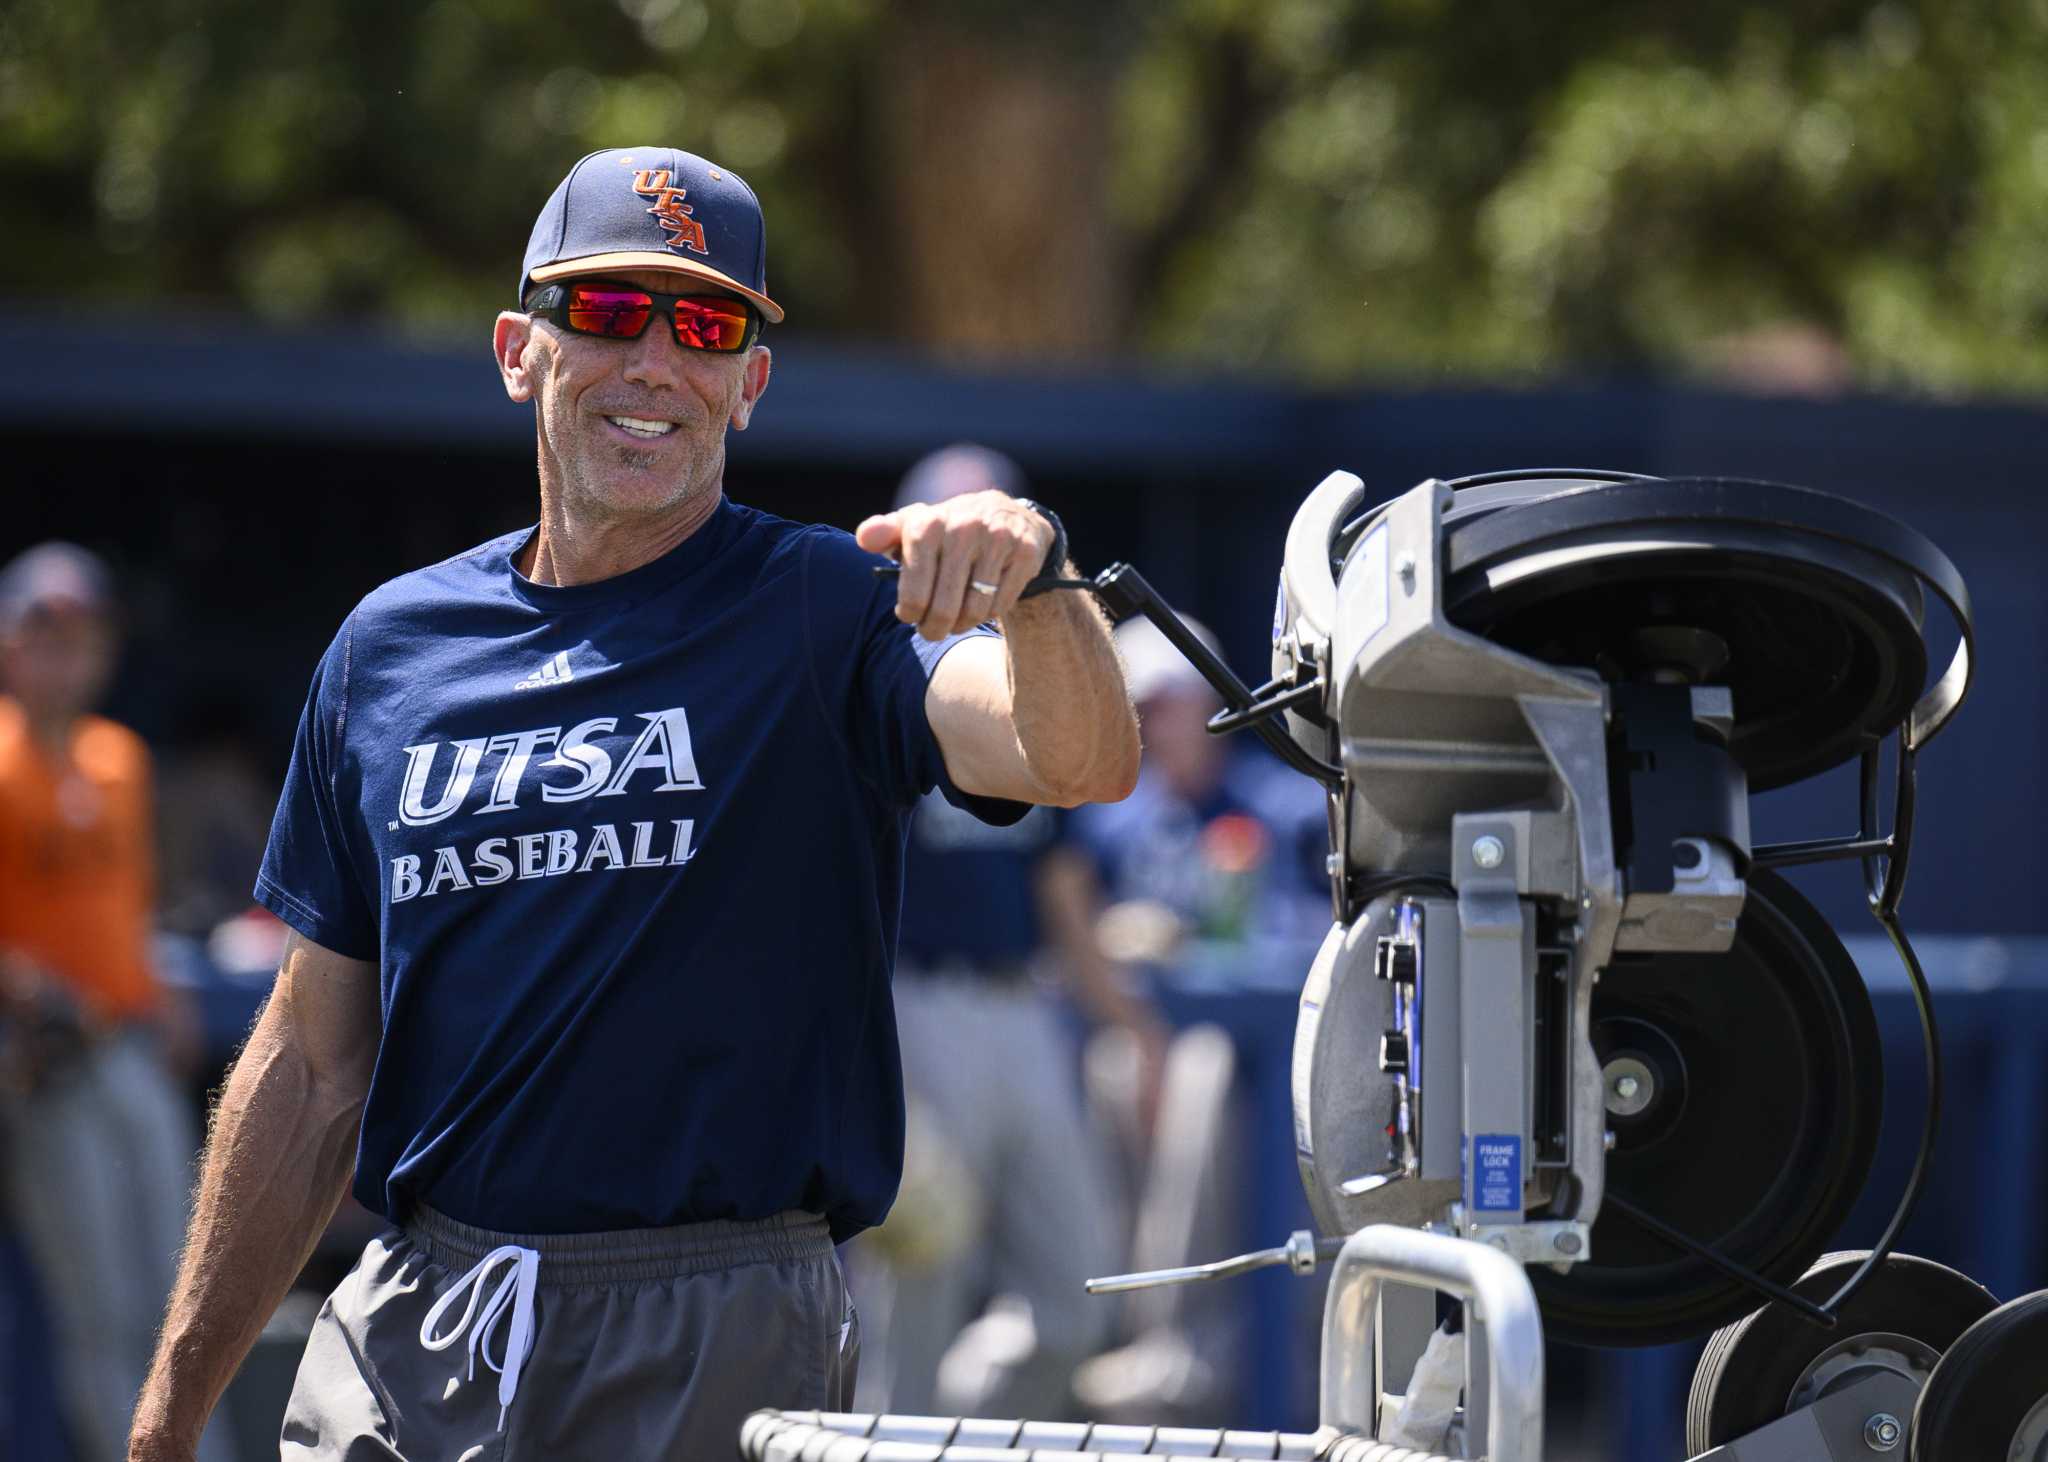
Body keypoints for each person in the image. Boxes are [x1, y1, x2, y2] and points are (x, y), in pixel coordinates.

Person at [126, 145, 1139, 1462]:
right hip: (420, 1320)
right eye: (608, 310)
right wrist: (164, 1422)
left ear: (749, 383)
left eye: (708, 324)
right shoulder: (388, 647)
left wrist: (1042, 582)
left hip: (715, 1321)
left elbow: (1073, 760)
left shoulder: (819, 607)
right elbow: (312, 1063)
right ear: (517, 350)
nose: (656, 360)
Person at [845, 446, 1163, 1421]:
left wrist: (1127, 1023)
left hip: (1019, 1009)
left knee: (1077, 1297)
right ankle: (894, 1436)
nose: (970, 558)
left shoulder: (1045, 695)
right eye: (946, 538)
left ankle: (955, 1425)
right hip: (908, 1008)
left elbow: (1063, 893)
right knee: (914, 1292)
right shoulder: (877, 672)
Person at [0, 543, 215, 1462]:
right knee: (100, 1309)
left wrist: (162, 994)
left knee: (184, 1288)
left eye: (80, 637)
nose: (63, 654)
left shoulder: (118, 757)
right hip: (48, 1060)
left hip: (128, 1043)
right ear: (9, 643)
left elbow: (133, 904)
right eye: (42, 634)